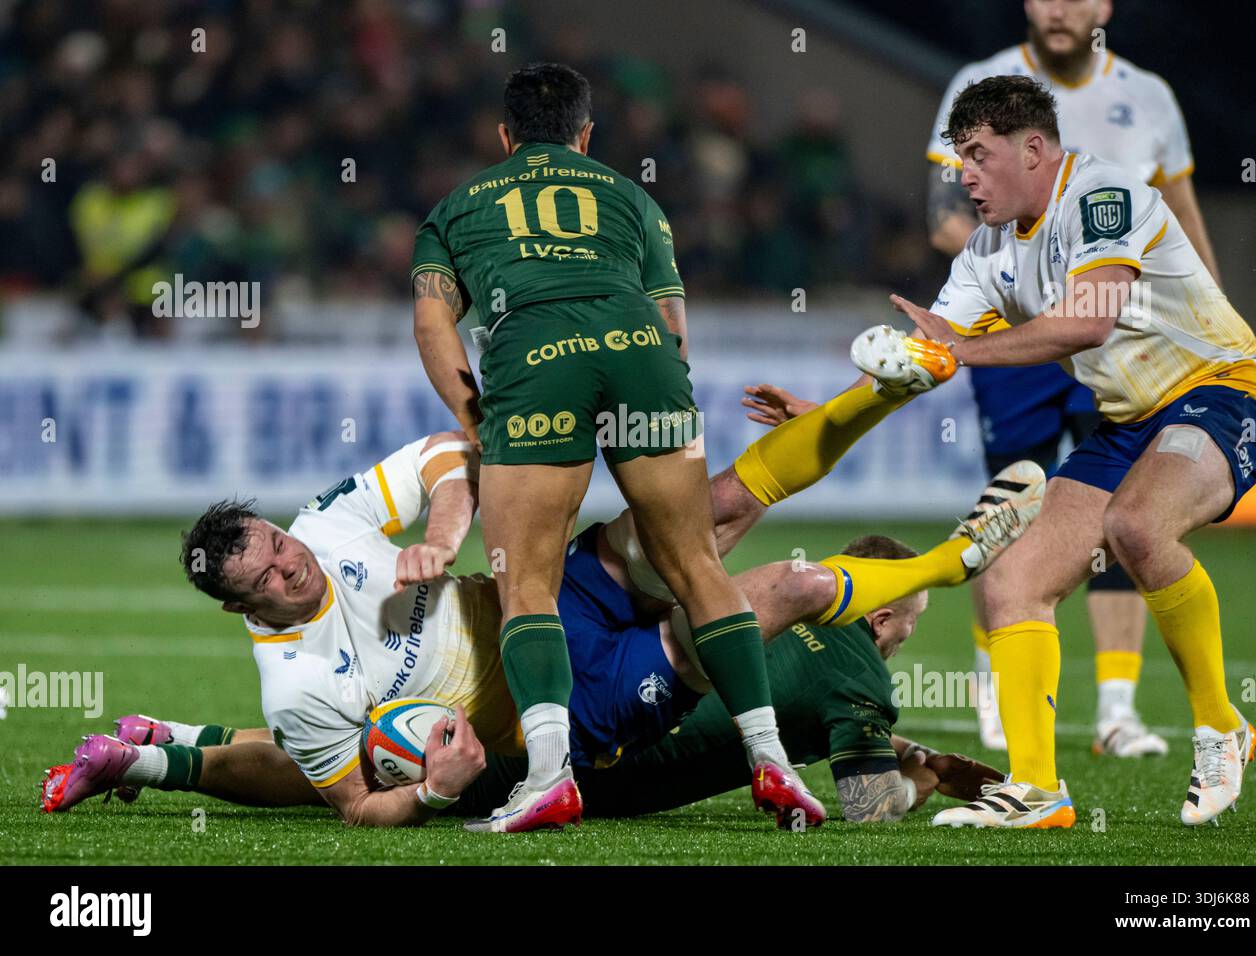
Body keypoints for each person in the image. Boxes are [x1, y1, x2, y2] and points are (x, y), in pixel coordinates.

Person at [42, 336, 1041, 830]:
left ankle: (889, 408)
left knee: (712, 514)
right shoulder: (296, 685)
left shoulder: (325, 523)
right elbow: (352, 800)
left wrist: (442, 529)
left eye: (274, 540)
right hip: (555, 709)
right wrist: (430, 794)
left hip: (535, 601)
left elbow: (444, 449)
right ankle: (945, 556)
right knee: (768, 584)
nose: (288, 561)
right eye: (265, 572)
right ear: (242, 605)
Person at [411, 61, 810, 829]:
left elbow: (434, 323)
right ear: (586, 136)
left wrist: (475, 418)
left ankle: (550, 776)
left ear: (504, 137)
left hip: (534, 360)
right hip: (641, 351)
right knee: (694, 563)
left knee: (528, 583)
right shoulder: (634, 198)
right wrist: (656, 394)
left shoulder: (456, 209)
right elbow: (672, 326)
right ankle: (772, 762)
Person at [893, 75, 1256, 828]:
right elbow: (924, 353)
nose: (962, 175)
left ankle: (1219, 725)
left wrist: (962, 352)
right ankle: (1036, 791)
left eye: (977, 154)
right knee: (1012, 580)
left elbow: (1087, 324)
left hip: (1223, 389)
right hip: (1130, 421)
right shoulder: (986, 252)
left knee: (1137, 526)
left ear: (1033, 148)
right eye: (957, 157)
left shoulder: (1105, 196)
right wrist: (827, 408)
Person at [925, 0, 1221, 757]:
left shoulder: (1149, 96)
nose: (1059, 8)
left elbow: (1180, 209)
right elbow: (945, 217)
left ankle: (1118, 711)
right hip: (1023, 337)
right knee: (1014, 502)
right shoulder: (982, 82)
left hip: (1119, 340)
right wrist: (1027, 281)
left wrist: (1207, 320)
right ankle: (999, 685)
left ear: (1105, 6)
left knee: (1128, 509)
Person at [84, 605, 1006, 827]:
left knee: (377, 738)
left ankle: (170, 739)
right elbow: (868, 807)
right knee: (373, 779)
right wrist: (918, 774)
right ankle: (157, 762)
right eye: (902, 636)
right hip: (603, 760)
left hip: (579, 676)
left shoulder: (763, 617)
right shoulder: (861, 671)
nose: (896, 650)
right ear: (883, 622)